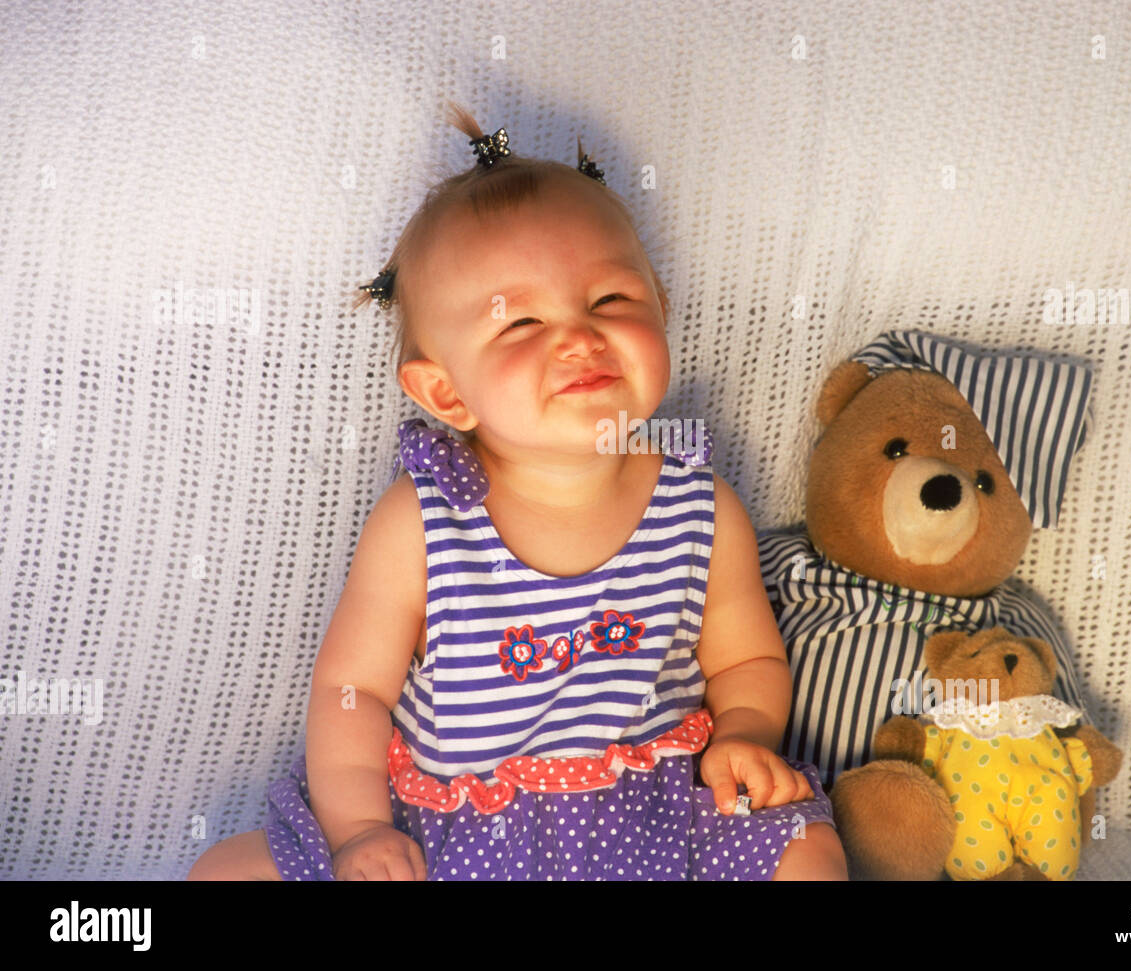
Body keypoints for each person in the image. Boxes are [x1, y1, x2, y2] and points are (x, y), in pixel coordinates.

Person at [188, 102, 847, 881]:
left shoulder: (699, 504)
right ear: (445, 390)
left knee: (805, 847)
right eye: (520, 322)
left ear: (661, 309)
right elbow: (352, 689)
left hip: (657, 825)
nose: (578, 336)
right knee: (225, 872)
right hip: (455, 833)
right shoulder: (424, 522)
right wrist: (359, 828)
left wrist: (744, 733)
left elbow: (748, 658)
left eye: (610, 301)